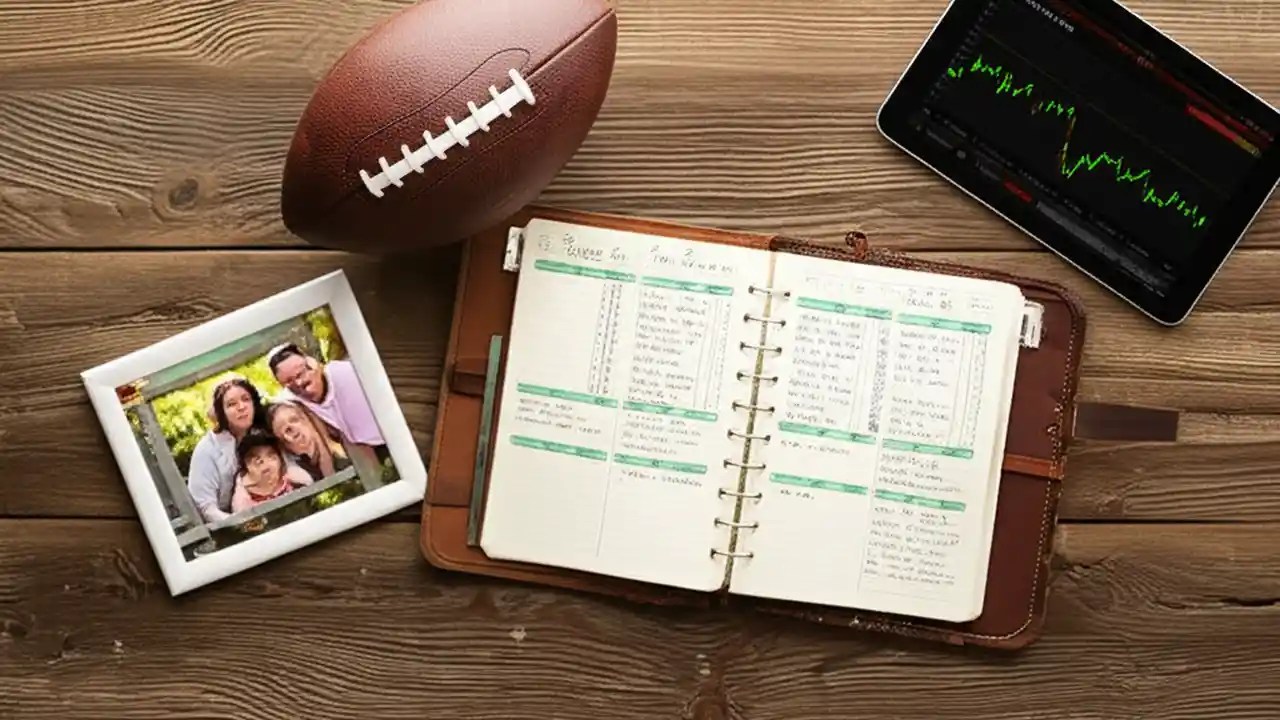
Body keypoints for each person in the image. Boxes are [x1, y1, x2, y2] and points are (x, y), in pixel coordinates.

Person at [267, 343, 386, 450]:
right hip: (370, 447)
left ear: (310, 363)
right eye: (289, 381)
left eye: (300, 374)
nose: (298, 383)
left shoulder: (346, 371)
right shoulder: (292, 400)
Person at [186, 376, 268, 523]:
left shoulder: (266, 431)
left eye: (246, 399)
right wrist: (243, 523)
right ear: (220, 412)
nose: (241, 407)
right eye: (231, 404)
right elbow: (206, 507)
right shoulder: (207, 449)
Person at [265, 399, 353, 482]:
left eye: (294, 420)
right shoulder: (299, 478)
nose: (291, 428)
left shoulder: (347, 448)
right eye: (283, 428)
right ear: (284, 445)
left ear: (309, 420)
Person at [230, 428, 314, 513]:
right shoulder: (242, 503)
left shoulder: (299, 481)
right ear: (245, 468)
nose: (265, 463)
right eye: (257, 460)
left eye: (271, 456)